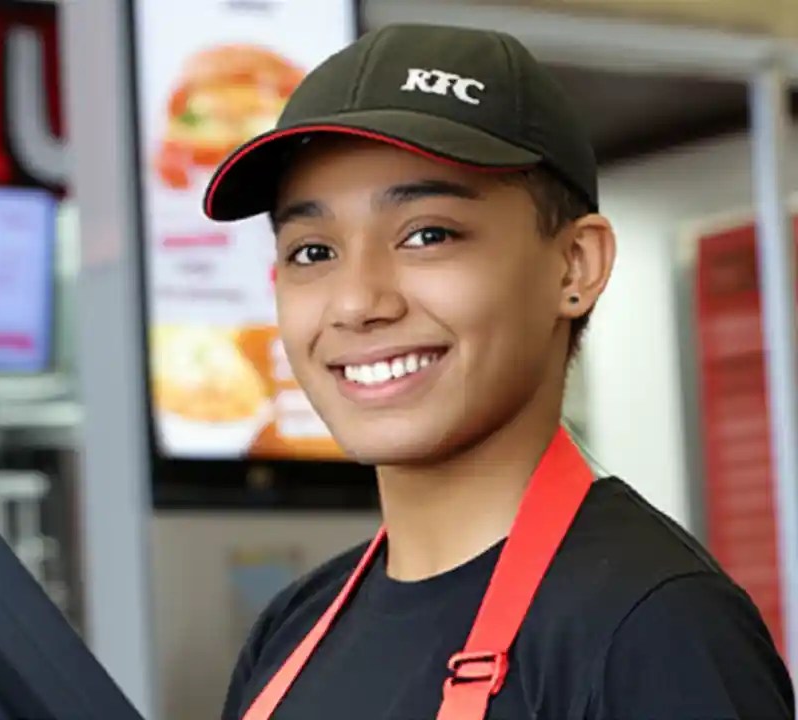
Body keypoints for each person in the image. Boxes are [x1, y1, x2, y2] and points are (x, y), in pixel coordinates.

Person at [202, 23, 794, 720]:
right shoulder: (292, 631)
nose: (357, 303)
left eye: (428, 235)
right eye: (312, 251)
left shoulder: (657, 629)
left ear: (575, 267)